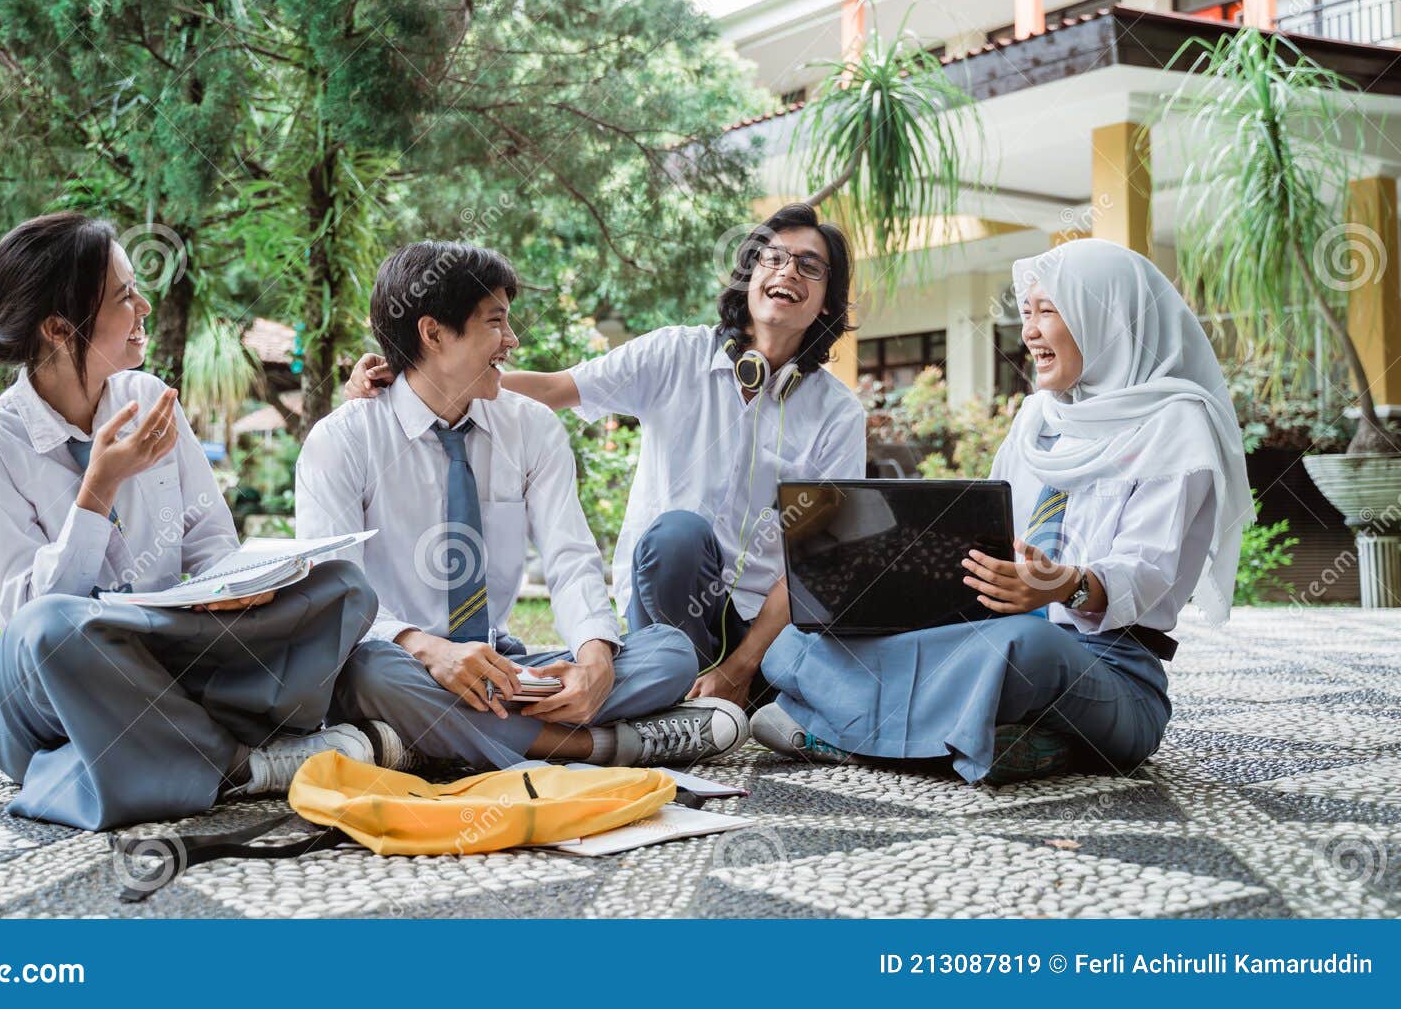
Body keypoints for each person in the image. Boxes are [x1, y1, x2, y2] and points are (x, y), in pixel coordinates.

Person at [751, 238, 1251, 784]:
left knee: (1023, 647)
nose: (1029, 331)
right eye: (1026, 313)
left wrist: (1063, 586)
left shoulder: (1175, 425)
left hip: (1110, 669)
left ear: (1106, 318)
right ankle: (984, 740)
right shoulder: (1039, 416)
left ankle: (836, 728)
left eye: (1048, 312)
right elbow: (990, 533)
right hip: (993, 630)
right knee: (804, 637)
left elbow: (1148, 572)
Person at [0, 212, 390, 832]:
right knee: (50, 627)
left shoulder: (149, 400)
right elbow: (24, 610)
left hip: (168, 649)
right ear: (58, 326)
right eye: (124, 295)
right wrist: (97, 490)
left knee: (342, 585)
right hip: (57, 684)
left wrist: (238, 585)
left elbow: (210, 541)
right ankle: (245, 764)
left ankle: (140, 754)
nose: (145, 306)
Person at [343, 203, 867, 711]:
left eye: (808, 266)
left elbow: (813, 560)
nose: (786, 271)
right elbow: (552, 388)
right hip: (667, 600)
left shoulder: (838, 414)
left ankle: (720, 687)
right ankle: (688, 691)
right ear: (749, 276)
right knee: (678, 534)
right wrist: (416, 377)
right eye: (772, 258)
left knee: (811, 662)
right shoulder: (674, 353)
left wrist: (743, 664)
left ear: (825, 301)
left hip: (766, 623)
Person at [297, 241, 745, 770]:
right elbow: (336, 599)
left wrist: (594, 656)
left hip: (501, 666)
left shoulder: (530, 426)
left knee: (669, 652)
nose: (511, 341)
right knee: (367, 673)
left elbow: (570, 557)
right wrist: (432, 652)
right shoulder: (343, 441)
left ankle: (429, 740)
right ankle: (599, 746)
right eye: (496, 321)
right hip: (404, 660)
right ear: (433, 333)